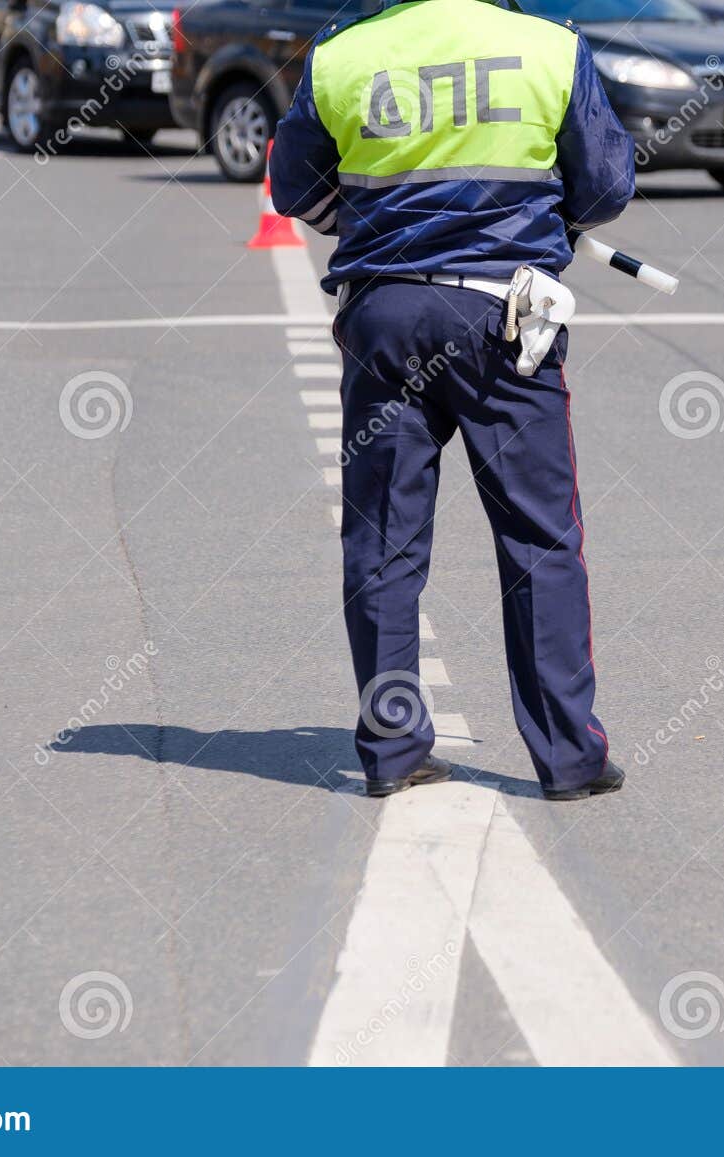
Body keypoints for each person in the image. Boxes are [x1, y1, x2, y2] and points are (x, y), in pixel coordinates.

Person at [269, 0, 635, 800]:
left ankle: (395, 750)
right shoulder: (547, 47)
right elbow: (606, 187)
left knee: (383, 542)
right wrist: (546, 221)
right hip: (506, 319)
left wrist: (372, 224)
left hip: (386, 316)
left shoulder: (341, 54)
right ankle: (570, 759)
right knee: (539, 541)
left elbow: (293, 188)